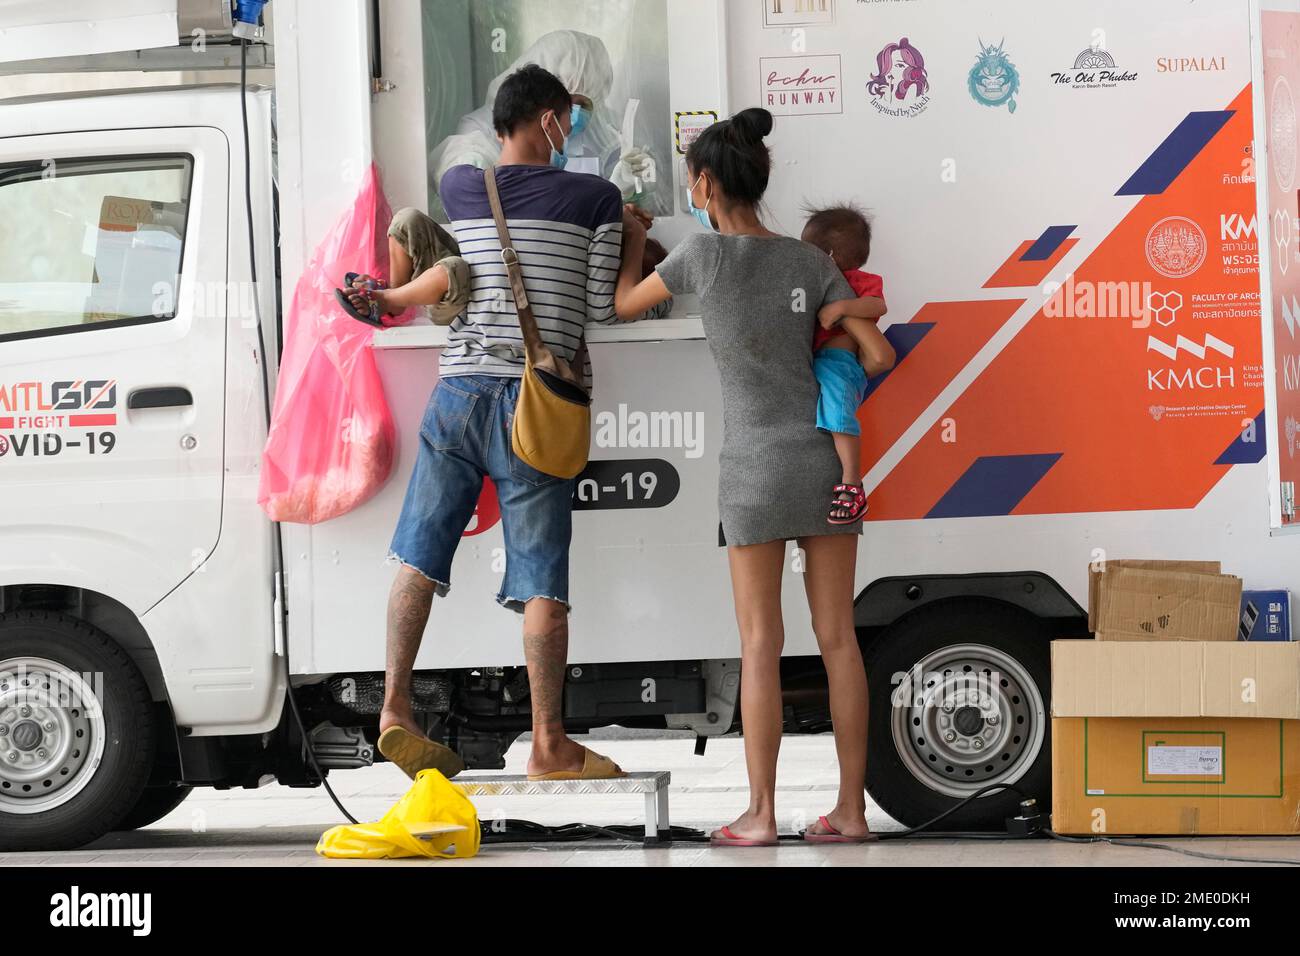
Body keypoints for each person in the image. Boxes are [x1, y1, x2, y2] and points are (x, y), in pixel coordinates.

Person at [372, 64, 651, 783]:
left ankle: (395, 706)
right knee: (541, 580)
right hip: (536, 406)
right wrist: (628, 235)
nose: (572, 130)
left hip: (458, 393)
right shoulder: (595, 197)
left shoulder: (461, 187)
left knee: (418, 553)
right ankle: (548, 743)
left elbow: (460, 267)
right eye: (568, 118)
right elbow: (602, 307)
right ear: (548, 119)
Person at [613, 108, 876, 844]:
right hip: (824, 464)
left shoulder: (701, 256)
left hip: (753, 471)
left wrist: (632, 235)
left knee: (761, 643)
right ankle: (851, 812)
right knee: (840, 641)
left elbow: (624, 305)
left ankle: (760, 814)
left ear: (704, 183)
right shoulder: (808, 261)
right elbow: (866, 343)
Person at [429, 30, 658, 207]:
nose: (572, 117)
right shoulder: (476, 141)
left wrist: (627, 192)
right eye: (566, 105)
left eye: (584, 104)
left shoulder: (599, 133)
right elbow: (471, 196)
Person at [801, 204, 896, 524]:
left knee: (839, 416)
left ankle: (852, 483)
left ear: (827, 256)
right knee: (829, 415)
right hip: (820, 363)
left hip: (838, 364)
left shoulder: (857, 281)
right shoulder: (813, 284)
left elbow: (877, 305)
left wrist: (843, 307)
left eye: (808, 251)